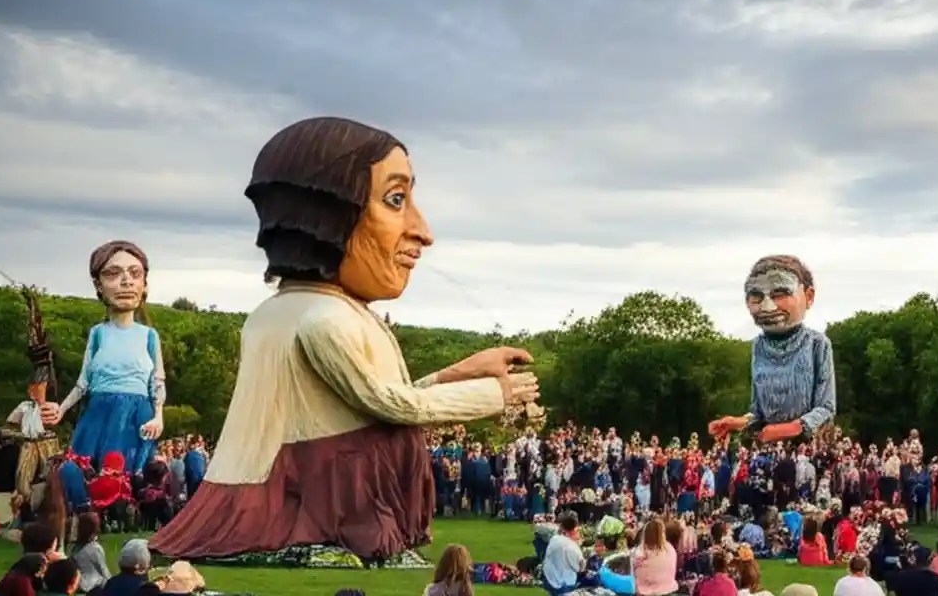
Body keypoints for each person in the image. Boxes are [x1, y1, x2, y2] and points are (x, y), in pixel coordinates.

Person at [149, 118, 539, 562]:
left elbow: (370, 402)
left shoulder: (286, 312)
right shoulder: (323, 317)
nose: (422, 230)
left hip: (278, 485)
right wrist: (494, 394)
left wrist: (459, 373)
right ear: (328, 214)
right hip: (317, 501)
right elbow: (390, 405)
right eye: (396, 200)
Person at [40, 241, 166, 475]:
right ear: (99, 285)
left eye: (135, 274)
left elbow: (157, 382)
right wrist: (62, 409)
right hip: (98, 413)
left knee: (125, 478)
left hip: (136, 419)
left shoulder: (149, 335)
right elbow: (83, 382)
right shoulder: (98, 333)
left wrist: (159, 417)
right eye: (113, 274)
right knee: (79, 473)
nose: (126, 281)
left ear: (144, 284)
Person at [709, 256, 836, 444]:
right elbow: (758, 412)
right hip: (769, 449)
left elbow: (826, 408)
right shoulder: (758, 346)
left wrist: (793, 427)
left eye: (780, 294)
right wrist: (738, 422)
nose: (767, 306)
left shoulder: (817, 344)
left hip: (809, 449)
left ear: (808, 296)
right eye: (756, 296)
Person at [632, 517, 676, 596]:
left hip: (643, 591)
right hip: (668, 590)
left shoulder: (640, 552)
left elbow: (631, 567)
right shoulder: (670, 549)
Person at [543, 511, 585, 596]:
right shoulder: (574, 547)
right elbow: (580, 568)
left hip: (550, 578)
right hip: (566, 583)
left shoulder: (554, 539)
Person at [70, 512, 108, 595]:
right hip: (92, 587)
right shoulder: (95, 548)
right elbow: (104, 572)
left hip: (77, 584)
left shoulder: (74, 548)